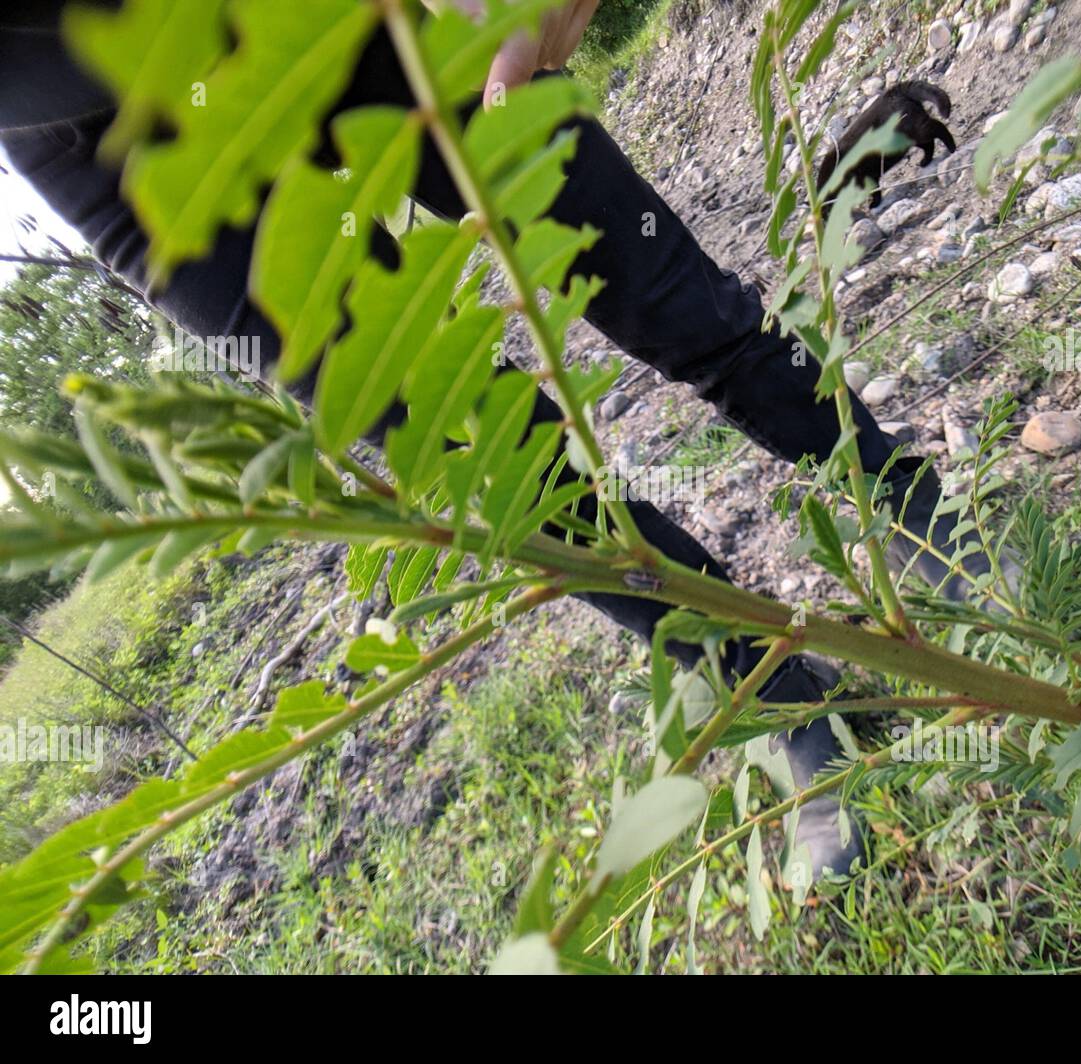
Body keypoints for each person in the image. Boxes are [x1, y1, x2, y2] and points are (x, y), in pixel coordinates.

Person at [0, 0, 999, 878]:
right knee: (497, 473)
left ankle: (911, 509)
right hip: (105, 149)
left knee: (664, 294)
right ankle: (773, 687)